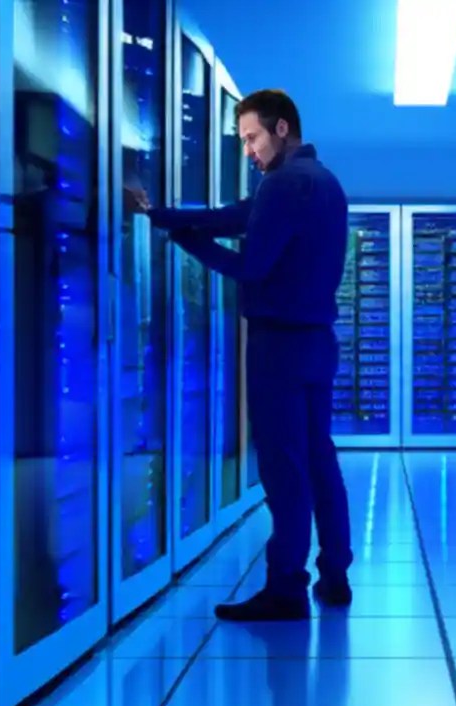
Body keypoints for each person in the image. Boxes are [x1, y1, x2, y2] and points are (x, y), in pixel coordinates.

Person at [137, 89, 354, 622]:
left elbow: (250, 264)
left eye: (253, 138)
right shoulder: (326, 184)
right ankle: (335, 574)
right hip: (319, 343)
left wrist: (182, 241)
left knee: (283, 467)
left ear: (282, 129)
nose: (249, 151)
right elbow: (237, 216)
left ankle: (285, 587)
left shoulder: (282, 184)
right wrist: (163, 217)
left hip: (278, 345)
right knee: (319, 457)